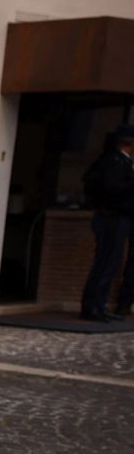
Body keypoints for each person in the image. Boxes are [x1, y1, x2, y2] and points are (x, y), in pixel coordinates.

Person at [80, 123, 134, 321]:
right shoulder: (115, 162)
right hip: (112, 217)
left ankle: (99, 305)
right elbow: (112, 189)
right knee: (105, 262)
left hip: (114, 217)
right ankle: (92, 306)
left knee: (110, 263)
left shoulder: (118, 161)